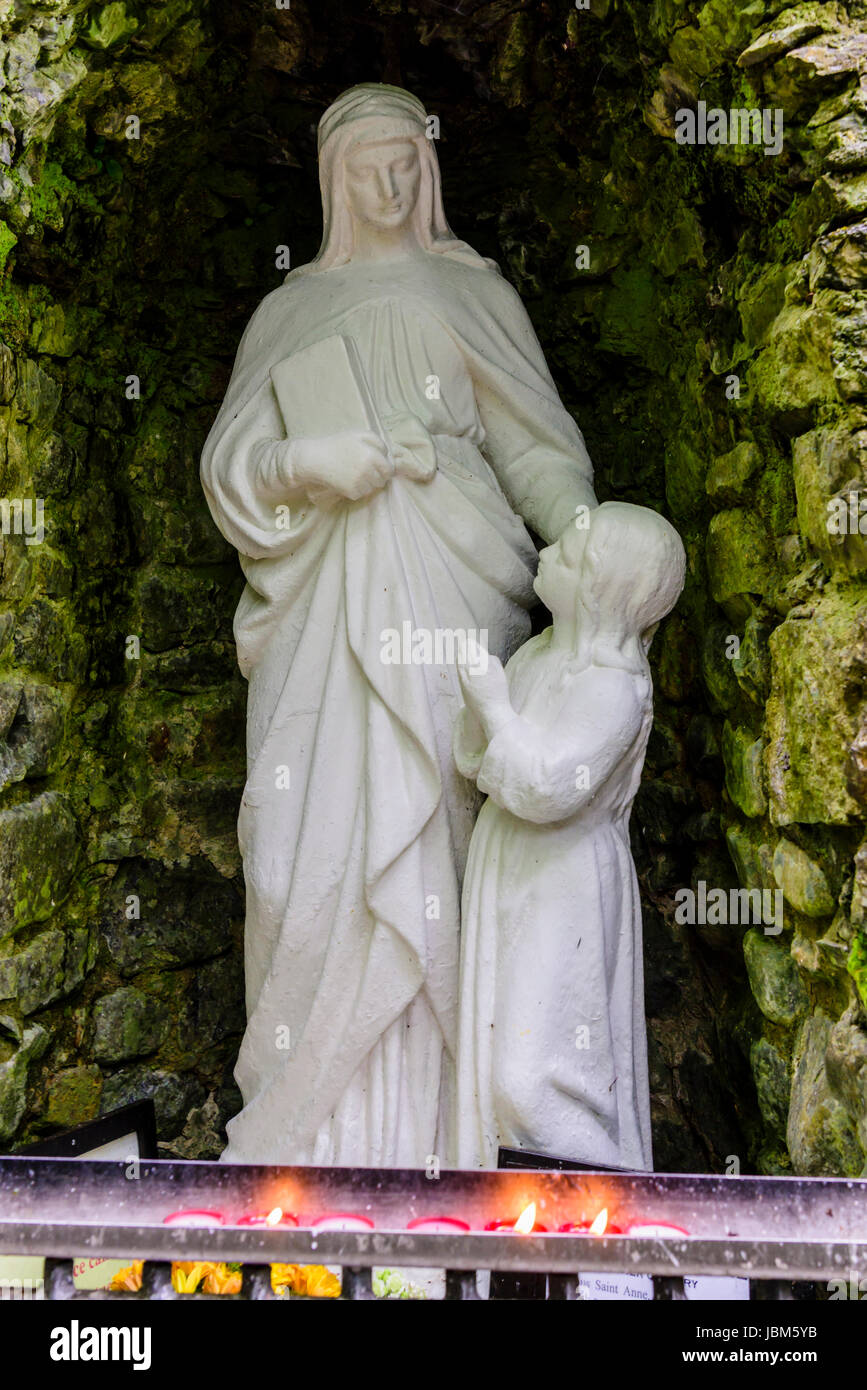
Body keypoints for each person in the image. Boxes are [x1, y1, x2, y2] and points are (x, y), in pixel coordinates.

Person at [200, 83, 596, 1166]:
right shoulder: (288, 312)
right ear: (333, 181)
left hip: (450, 589)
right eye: (369, 164)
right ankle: (307, 1144)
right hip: (321, 619)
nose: (390, 181)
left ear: (431, 173)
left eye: (408, 163)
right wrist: (304, 465)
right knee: (300, 857)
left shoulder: (476, 293)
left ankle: (445, 1147)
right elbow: (230, 469)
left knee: (447, 851)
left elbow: (535, 447)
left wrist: (589, 541)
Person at [453, 503, 685, 1170]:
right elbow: (478, 763)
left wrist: (494, 708)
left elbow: (550, 787)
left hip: (563, 881)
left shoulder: (613, 688)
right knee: (499, 1062)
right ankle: (513, 1231)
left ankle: (606, 1228)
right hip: (510, 866)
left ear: (597, 586)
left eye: (566, 553)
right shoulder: (536, 655)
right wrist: (483, 709)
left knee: (534, 1081)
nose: (546, 553)